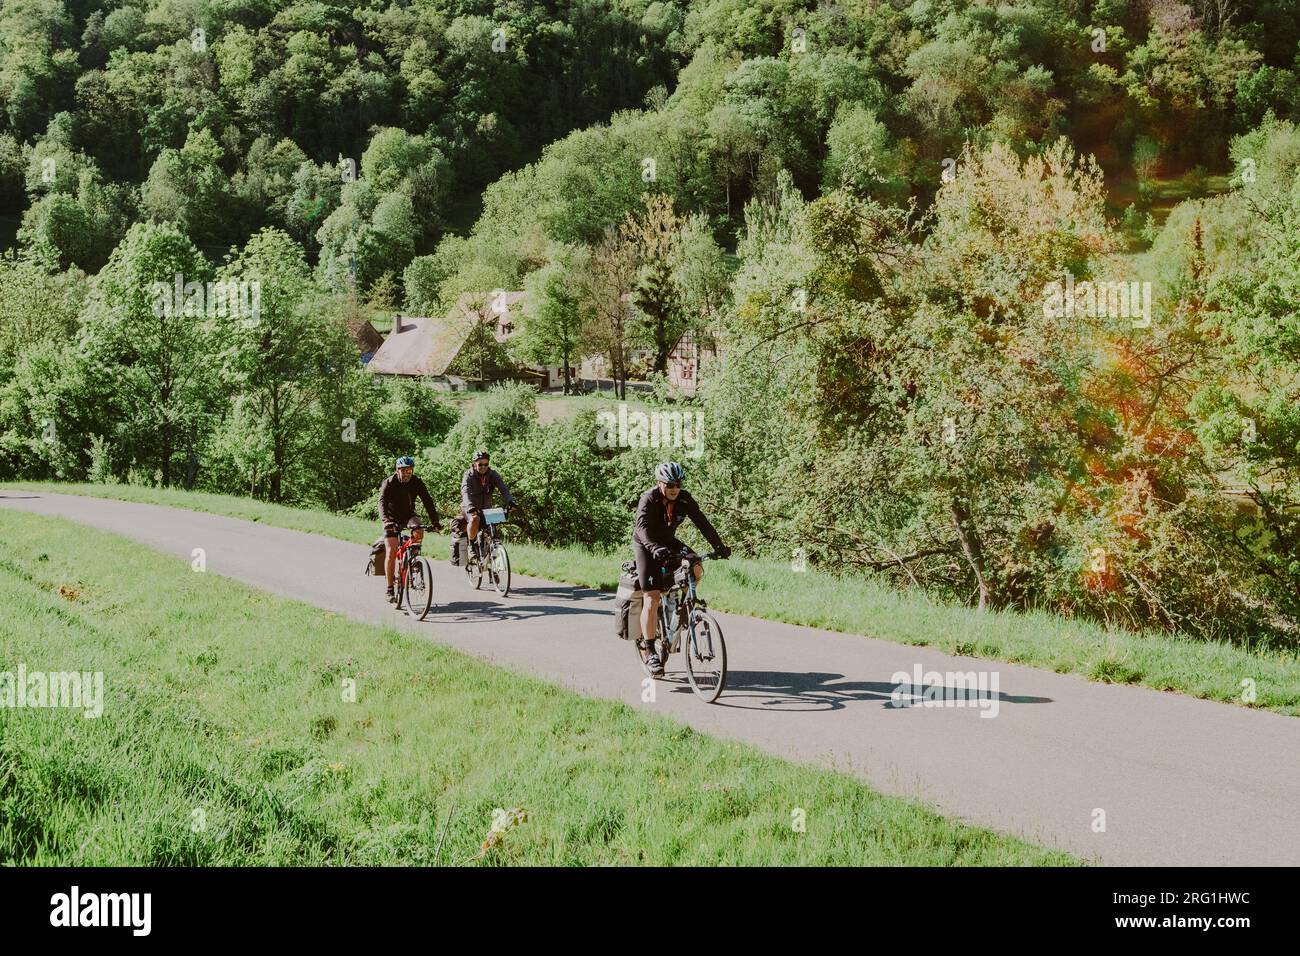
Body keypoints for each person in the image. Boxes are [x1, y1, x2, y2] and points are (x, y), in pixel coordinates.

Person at [633, 461, 730, 676]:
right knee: (652, 597)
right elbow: (642, 530)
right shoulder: (648, 499)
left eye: (677, 484)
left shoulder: (684, 498)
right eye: (669, 485)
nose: (674, 489)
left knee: (695, 566)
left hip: (668, 541)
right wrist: (654, 548)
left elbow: (702, 522)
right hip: (646, 545)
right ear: (660, 483)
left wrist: (719, 545)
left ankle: (682, 604)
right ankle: (649, 651)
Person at [378, 456, 439, 604]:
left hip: (409, 516)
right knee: (391, 552)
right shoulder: (389, 482)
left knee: (418, 529)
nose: (407, 473)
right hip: (391, 519)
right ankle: (390, 589)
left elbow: (427, 500)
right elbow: (382, 502)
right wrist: (386, 520)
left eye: (410, 470)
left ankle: (415, 558)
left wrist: (435, 521)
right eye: (404, 470)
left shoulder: (416, 482)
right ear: (397, 470)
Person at [459, 449, 516, 563]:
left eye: (486, 464)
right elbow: (465, 492)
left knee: (492, 530)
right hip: (469, 507)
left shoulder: (492, 474)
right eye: (480, 464)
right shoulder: (468, 475)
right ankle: (471, 546)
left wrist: (510, 501)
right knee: (475, 519)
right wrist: (470, 506)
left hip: (486, 508)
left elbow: (503, 488)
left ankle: (492, 560)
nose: (483, 467)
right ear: (474, 463)